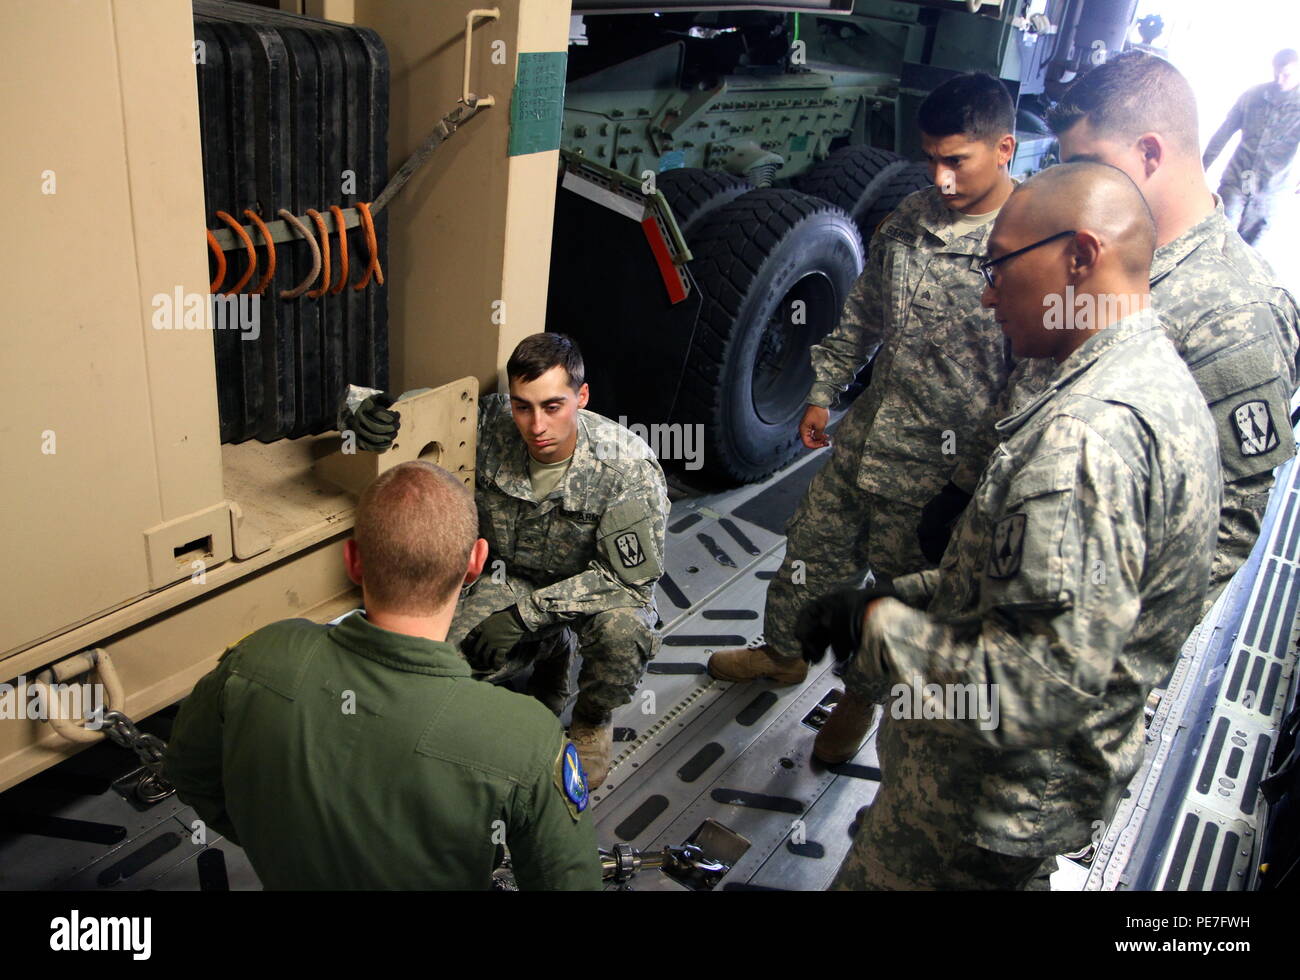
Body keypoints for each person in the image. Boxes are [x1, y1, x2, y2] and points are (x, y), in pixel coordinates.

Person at [800, 162, 1220, 890]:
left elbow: (1032, 689)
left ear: (1080, 256)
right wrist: (914, 591)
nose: (989, 293)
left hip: (978, 808)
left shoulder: (1086, 439)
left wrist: (879, 624)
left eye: (1000, 267)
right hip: (1012, 803)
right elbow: (1024, 583)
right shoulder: (1149, 381)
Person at [707, 72, 1021, 764]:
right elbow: (864, 316)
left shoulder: (1028, 247)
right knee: (808, 555)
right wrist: (824, 389)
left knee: (897, 601)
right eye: (931, 158)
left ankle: (859, 700)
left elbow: (1034, 379)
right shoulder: (910, 220)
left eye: (956, 160)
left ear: (1005, 147)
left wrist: (979, 484)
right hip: (867, 439)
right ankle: (783, 654)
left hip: (943, 473)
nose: (940, 177)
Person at [163, 461, 601, 890]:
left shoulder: (258, 656)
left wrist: (276, 844)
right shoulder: (526, 739)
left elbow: (189, 773)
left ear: (353, 560)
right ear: (475, 562)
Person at [345, 334, 669, 787]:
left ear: (582, 396)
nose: (536, 425)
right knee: (445, 663)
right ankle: (552, 651)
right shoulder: (491, 420)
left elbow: (630, 583)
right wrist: (361, 415)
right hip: (506, 577)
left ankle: (593, 718)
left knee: (625, 631)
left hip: (590, 589)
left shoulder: (627, 466)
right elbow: (404, 410)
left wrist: (524, 617)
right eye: (523, 406)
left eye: (553, 406)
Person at [1047, 50, 1300, 603]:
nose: (1075, 188)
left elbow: (1222, 529)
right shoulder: (1099, 251)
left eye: (1088, 164)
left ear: (1150, 152)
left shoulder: (1240, 314)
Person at [1202, 48, 1300, 248]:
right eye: (1276, 73)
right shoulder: (1253, 96)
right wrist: (1202, 164)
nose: (1280, 80)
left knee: (1250, 250)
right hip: (1238, 179)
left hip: (1272, 189)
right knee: (1219, 237)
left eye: (1287, 75)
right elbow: (1224, 132)